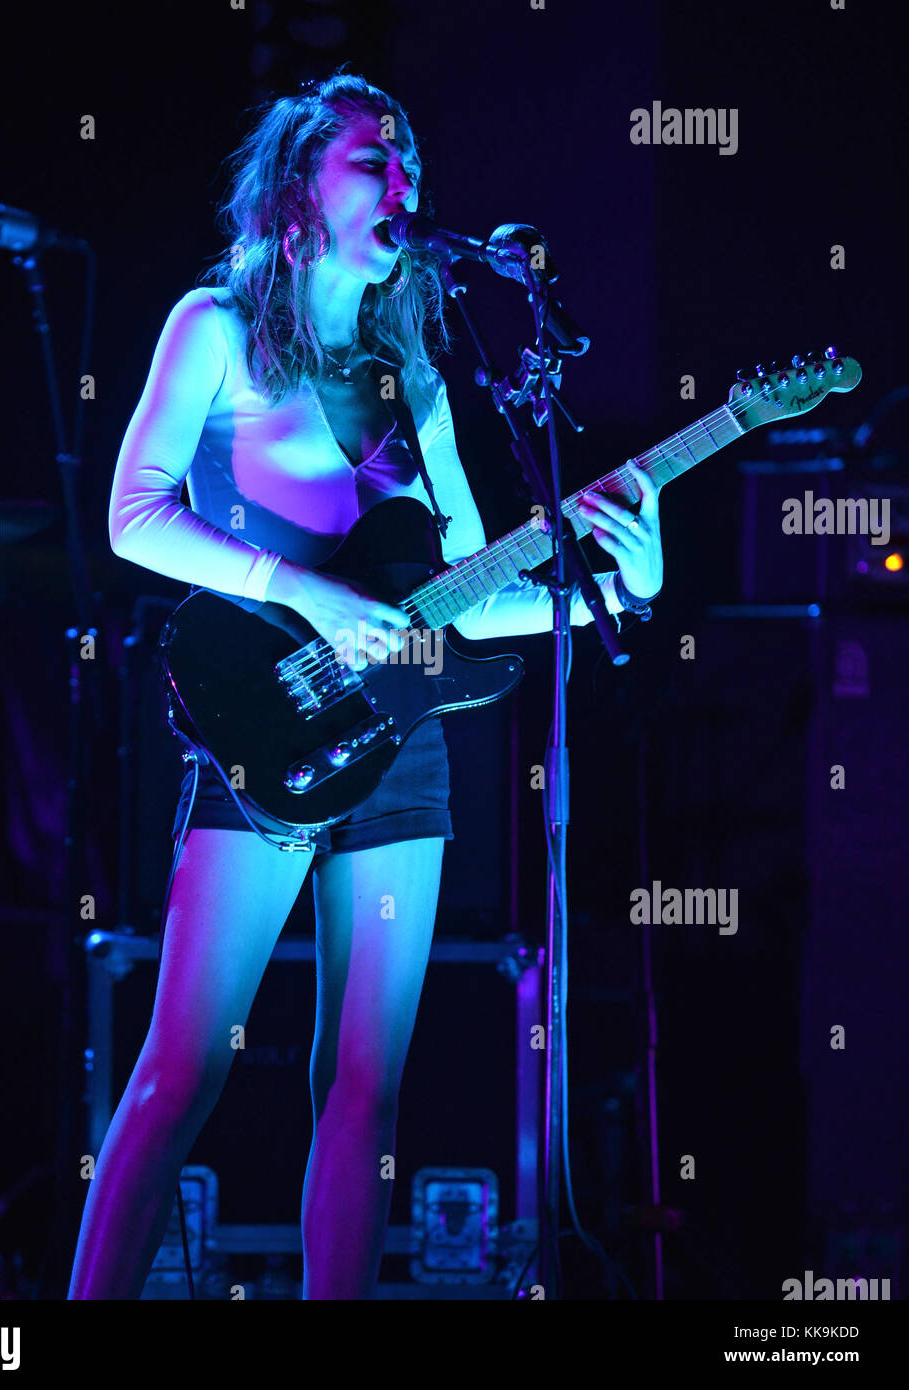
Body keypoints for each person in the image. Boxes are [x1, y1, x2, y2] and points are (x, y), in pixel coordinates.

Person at [67, 72, 663, 1301]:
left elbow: (455, 596)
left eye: (408, 161)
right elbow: (131, 517)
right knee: (181, 1070)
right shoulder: (215, 327)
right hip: (262, 728)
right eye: (369, 160)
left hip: (400, 749)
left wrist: (618, 581)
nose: (402, 180)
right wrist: (306, 593)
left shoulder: (413, 375)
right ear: (297, 189)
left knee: (367, 1083)